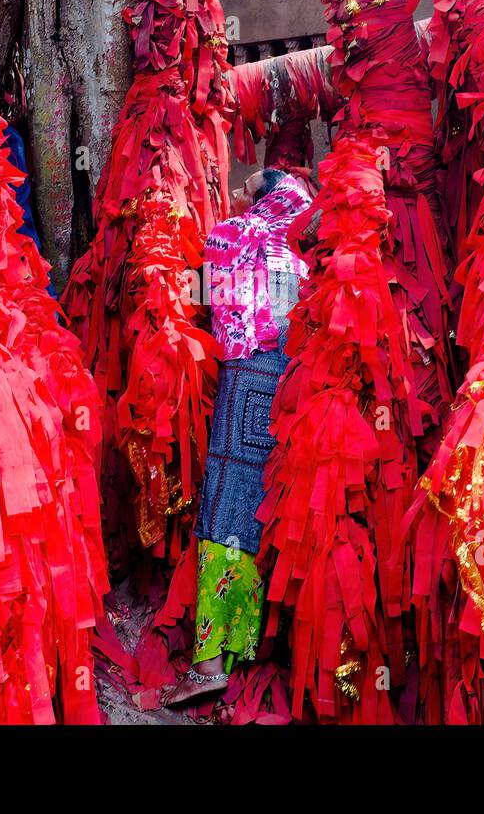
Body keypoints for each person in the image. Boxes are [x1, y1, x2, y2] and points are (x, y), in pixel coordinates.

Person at [163, 167, 312, 706]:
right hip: (284, 391)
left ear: (263, 197)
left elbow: (208, 300)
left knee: (223, 510)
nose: (235, 194)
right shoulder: (298, 260)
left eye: (247, 188)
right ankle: (246, 646)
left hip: (241, 382)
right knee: (257, 510)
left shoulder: (230, 235)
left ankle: (207, 662)